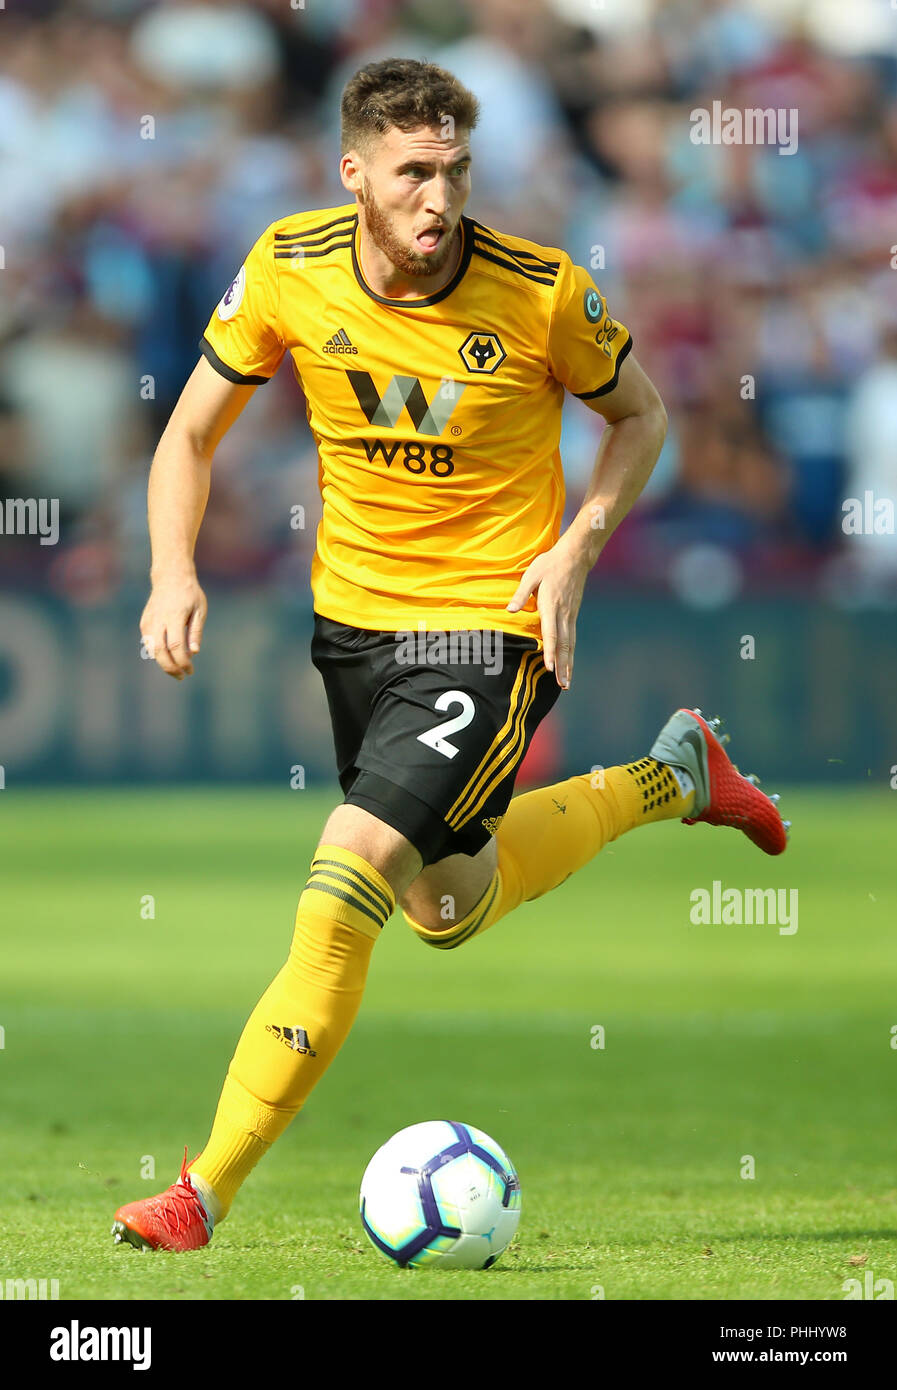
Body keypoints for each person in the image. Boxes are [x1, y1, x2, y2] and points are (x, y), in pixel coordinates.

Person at [112, 58, 788, 1253]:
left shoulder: (539, 293)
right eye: (415, 173)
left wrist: (577, 545)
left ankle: (199, 1190)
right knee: (445, 902)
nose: (440, 198)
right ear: (354, 173)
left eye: (457, 171)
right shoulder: (287, 266)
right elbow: (188, 435)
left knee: (344, 886)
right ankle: (674, 776)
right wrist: (173, 569)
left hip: (491, 629)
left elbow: (643, 416)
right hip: (355, 632)